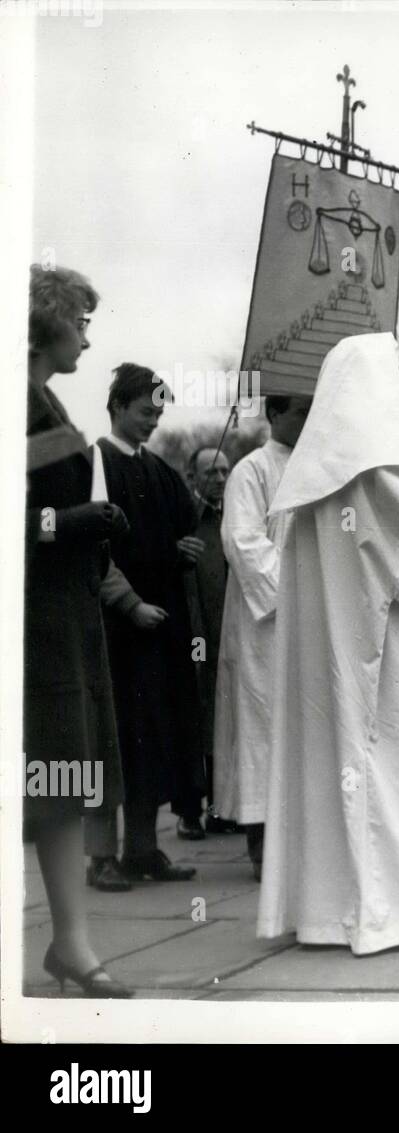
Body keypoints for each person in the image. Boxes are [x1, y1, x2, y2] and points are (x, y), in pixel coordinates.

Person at [257, 333, 399, 954]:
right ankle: (385, 912)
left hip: (328, 656)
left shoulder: (314, 475)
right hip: (379, 650)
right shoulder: (375, 469)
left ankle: (330, 910)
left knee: (334, 764)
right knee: (386, 763)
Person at [25, 264, 132, 996]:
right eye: (82, 323)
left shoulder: (46, 401)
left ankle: (70, 941)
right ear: (48, 320)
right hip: (29, 622)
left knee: (62, 778)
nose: (89, 340)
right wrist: (69, 521)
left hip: (63, 617)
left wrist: (84, 526)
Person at [87, 364, 204, 886]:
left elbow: (181, 523)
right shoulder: (94, 461)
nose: (152, 421)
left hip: (160, 628)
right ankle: (99, 857)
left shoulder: (157, 468)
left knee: (153, 737)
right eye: (143, 412)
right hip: (112, 627)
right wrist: (130, 603)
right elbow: (92, 547)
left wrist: (182, 548)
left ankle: (142, 848)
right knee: (109, 740)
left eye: (158, 413)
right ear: (116, 407)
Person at [212, 395, 311, 878]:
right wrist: (289, 592)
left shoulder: (323, 466)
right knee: (262, 723)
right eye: (299, 411)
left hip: (313, 616)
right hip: (265, 619)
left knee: (306, 725)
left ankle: (307, 844)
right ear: (275, 415)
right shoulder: (251, 471)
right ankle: (263, 846)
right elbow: (242, 540)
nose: (309, 420)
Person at [182, 446, 233, 836]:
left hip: (228, 629)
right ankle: (189, 812)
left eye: (224, 471)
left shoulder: (233, 515)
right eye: (211, 472)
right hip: (195, 631)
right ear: (192, 476)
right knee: (197, 716)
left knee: (224, 717)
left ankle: (220, 808)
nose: (219, 479)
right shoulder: (186, 519)